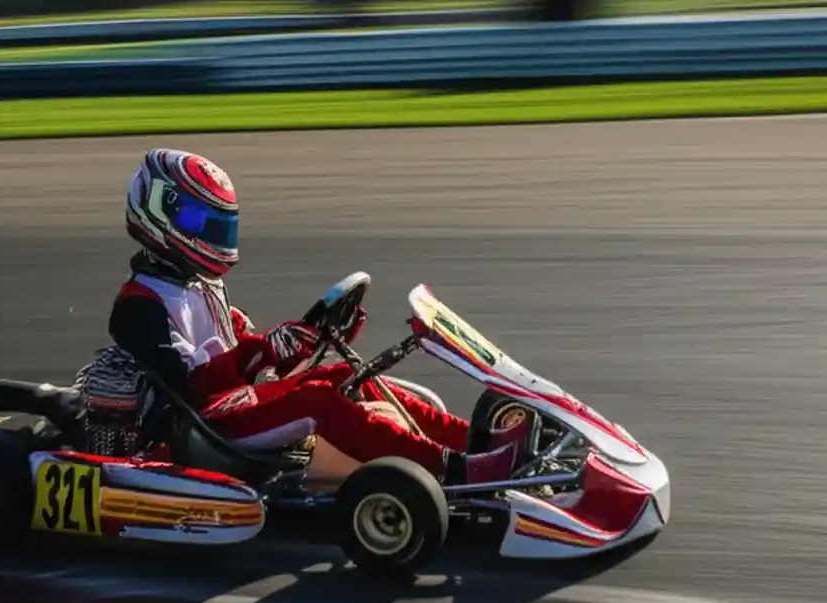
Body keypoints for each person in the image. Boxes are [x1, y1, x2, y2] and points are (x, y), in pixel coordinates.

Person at [106, 148, 529, 485]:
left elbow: (249, 362)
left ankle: (475, 442)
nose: (215, 237)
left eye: (221, 226)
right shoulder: (138, 304)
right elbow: (194, 385)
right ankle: (455, 469)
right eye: (203, 223)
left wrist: (307, 340)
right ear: (161, 212)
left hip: (239, 404)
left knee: (343, 375)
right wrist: (265, 348)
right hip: (208, 429)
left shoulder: (201, 286)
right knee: (318, 402)